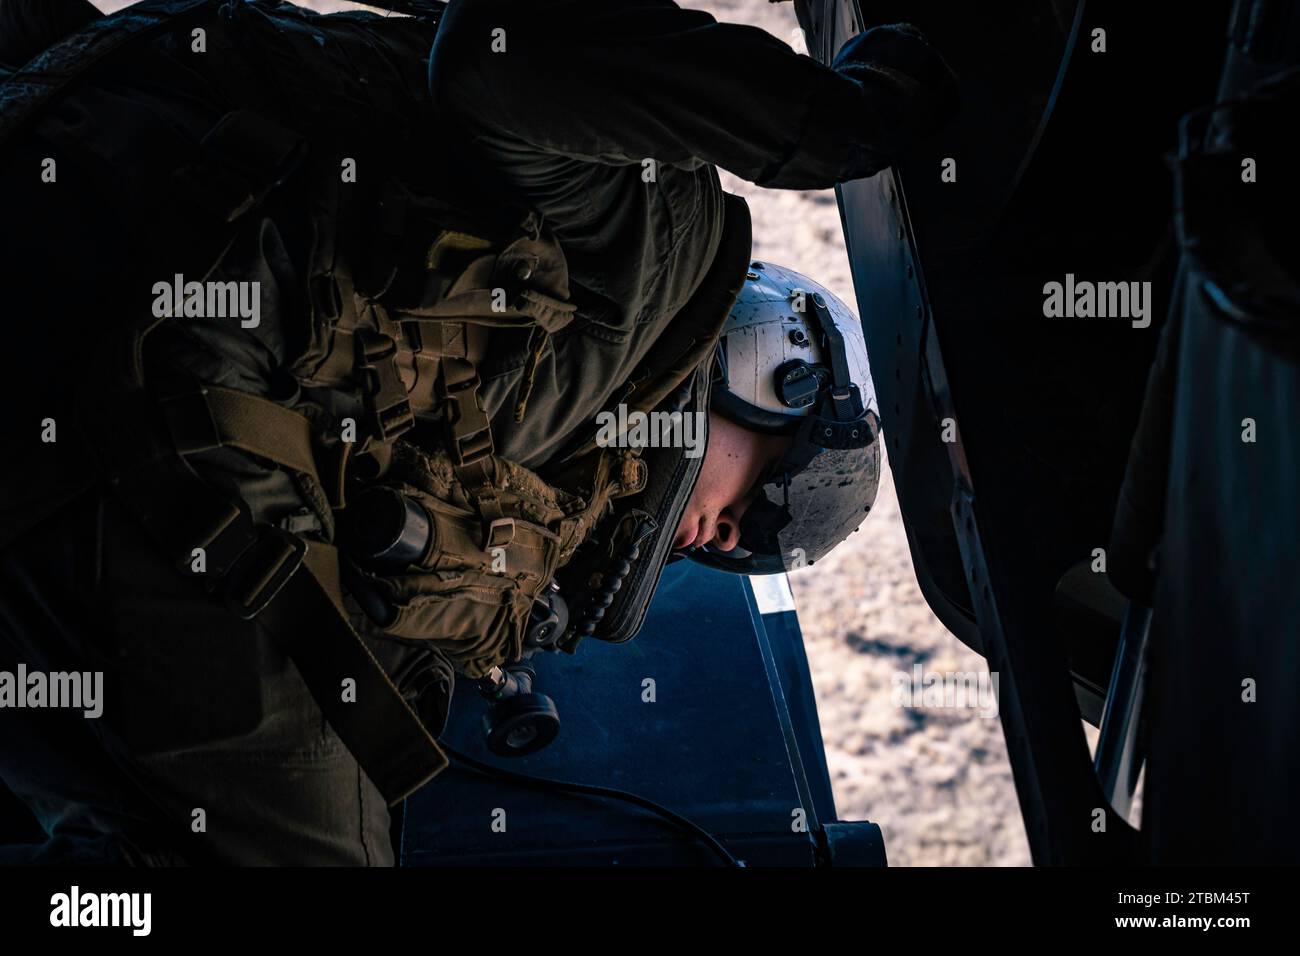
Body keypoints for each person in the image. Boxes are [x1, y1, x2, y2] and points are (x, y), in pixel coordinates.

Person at [0, 0, 956, 864]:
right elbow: (494, 52)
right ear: (776, 369)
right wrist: (823, 124)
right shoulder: (655, 257)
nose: (738, 542)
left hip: (126, 389)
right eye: (787, 495)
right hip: (171, 347)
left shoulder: (571, 463)